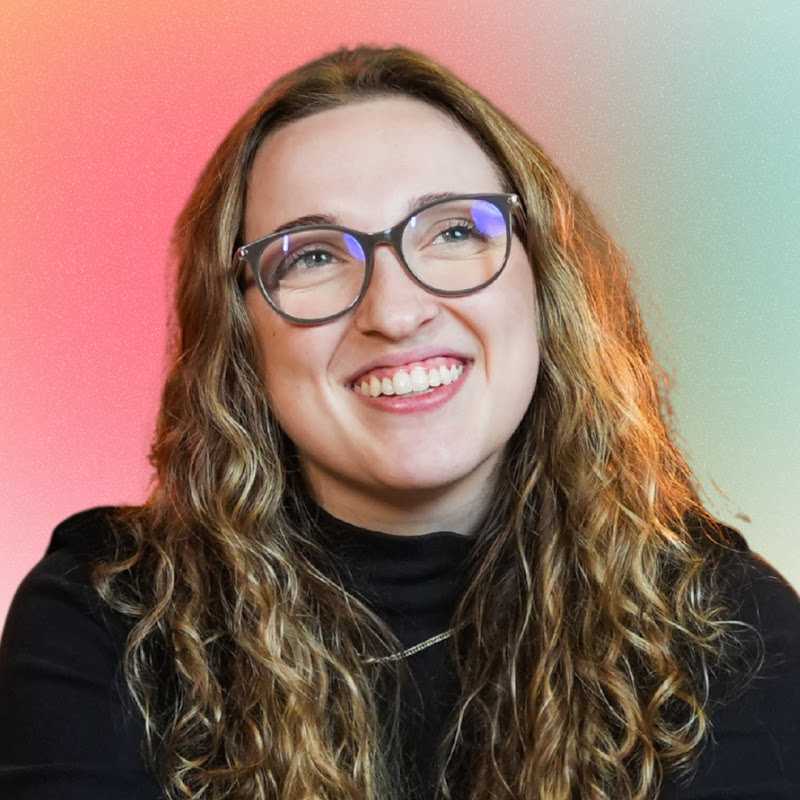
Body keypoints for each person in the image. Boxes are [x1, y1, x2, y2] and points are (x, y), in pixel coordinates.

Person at [0, 45, 798, 800]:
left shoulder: (726, 624)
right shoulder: (108, 623)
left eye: (453, 231)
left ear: (543, 280)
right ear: (238, 330)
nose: (395, 310)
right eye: (312, 256)